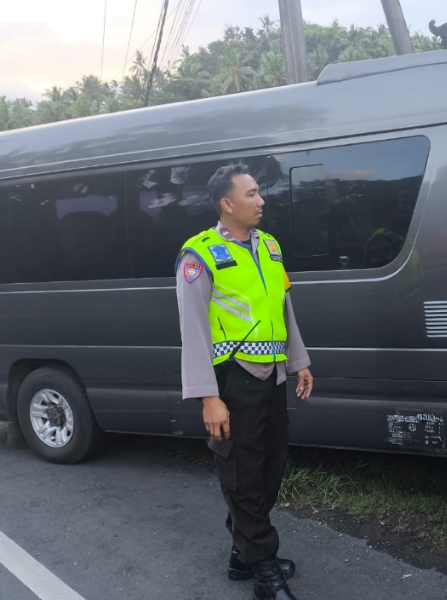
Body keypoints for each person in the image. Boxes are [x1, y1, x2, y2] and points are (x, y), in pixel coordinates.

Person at [175, 163, 313, 600]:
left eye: (259, 193)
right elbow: (193, 329)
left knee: (270, 468)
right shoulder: (199, 254)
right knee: (243, 474)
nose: (261, 200)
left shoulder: (269, 246)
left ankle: (244, 554)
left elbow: (282, 306)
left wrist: (299, 361)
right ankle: (265, 571)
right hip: (233, 381)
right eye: (251, 194)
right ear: (227, 203)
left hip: (272, 377)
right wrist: (207, 397)